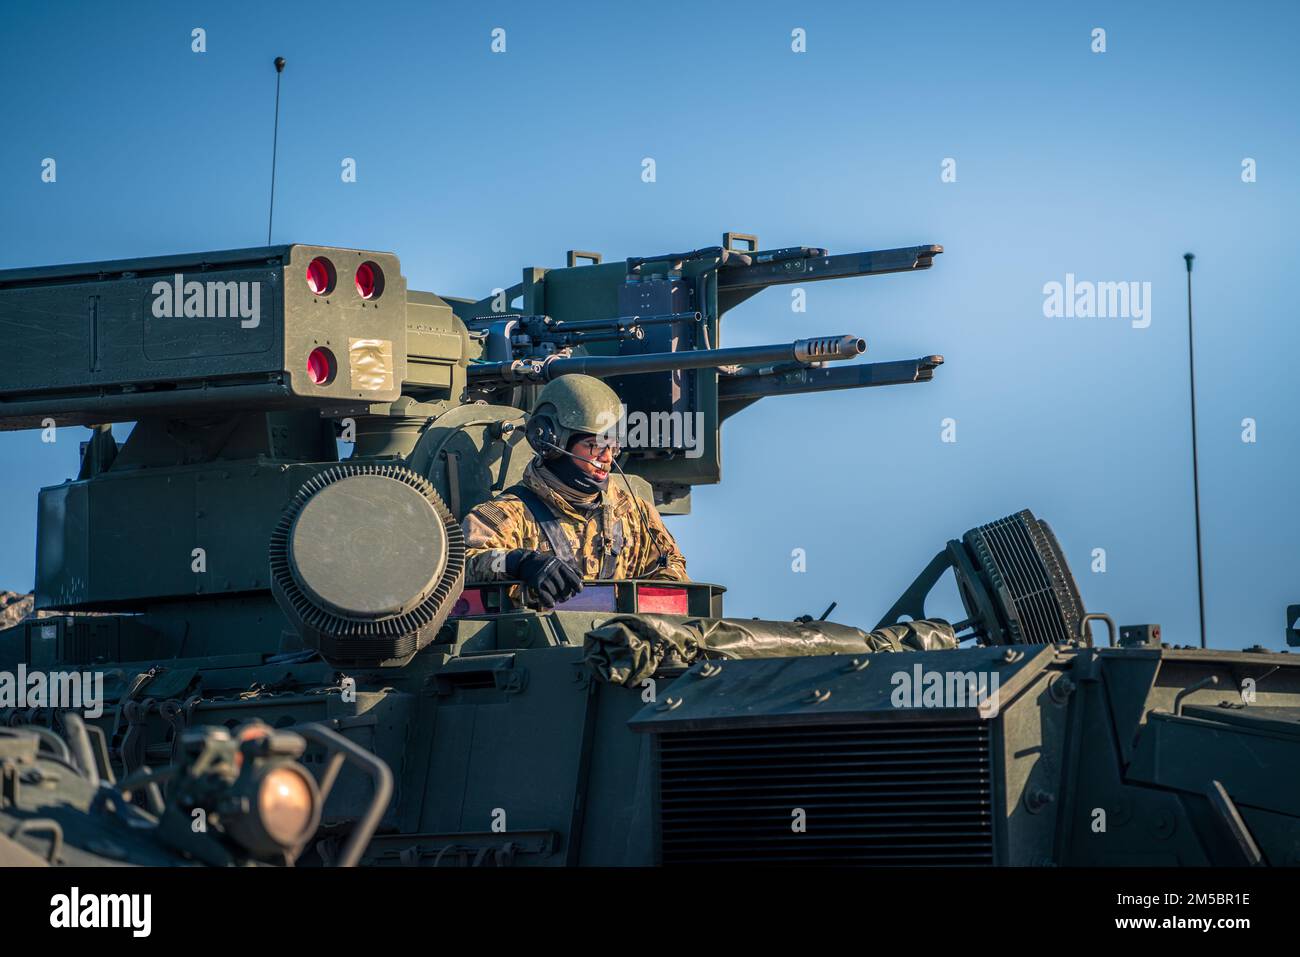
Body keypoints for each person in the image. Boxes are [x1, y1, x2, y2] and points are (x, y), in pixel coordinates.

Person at [462, 375, 688, 608]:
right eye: (595, 446)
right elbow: (462, 564)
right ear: (553, 441)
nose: (608, 458)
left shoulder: (634, 513)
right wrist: (518, 563)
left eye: (613, 446)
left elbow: (671, 566)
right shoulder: (510, 514)